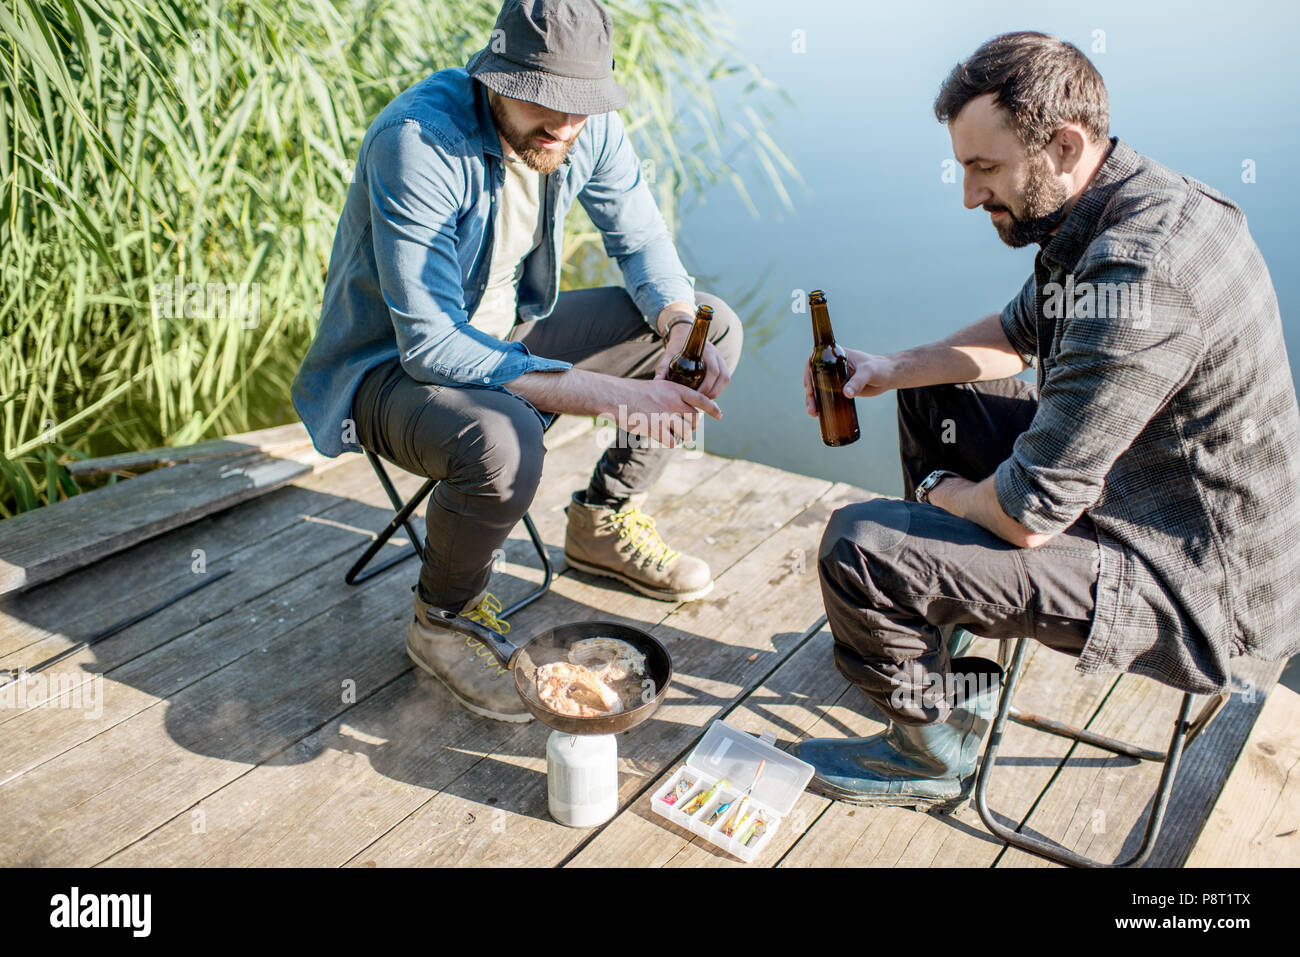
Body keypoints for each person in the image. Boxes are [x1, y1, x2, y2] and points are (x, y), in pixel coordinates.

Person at [794, 31, 1300, 810]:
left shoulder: (1141, 269)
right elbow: (1014, 333)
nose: (967, 195)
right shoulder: (1106, 203)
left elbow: (1028, 513)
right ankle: (943, 633)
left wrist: (936, 494)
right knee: (935, 393)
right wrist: (890, 370)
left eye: (984, 168)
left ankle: (928, 752)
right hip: (1140, 487)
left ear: (1064, 145)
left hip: (1195, 590)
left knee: (861, 547)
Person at [290, 0, 741, 723]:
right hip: (390, 372)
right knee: (503, 438)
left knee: (715, 329)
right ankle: (442, 620)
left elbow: (642, 241)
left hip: (510, 335)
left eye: (582, 104)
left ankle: (601, 521)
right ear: (494, 75)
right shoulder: (419, 142)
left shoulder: (581, 128)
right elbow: (432, 342)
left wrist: (682, 326)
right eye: (543, 100)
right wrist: (605, 394)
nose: (563, 124)